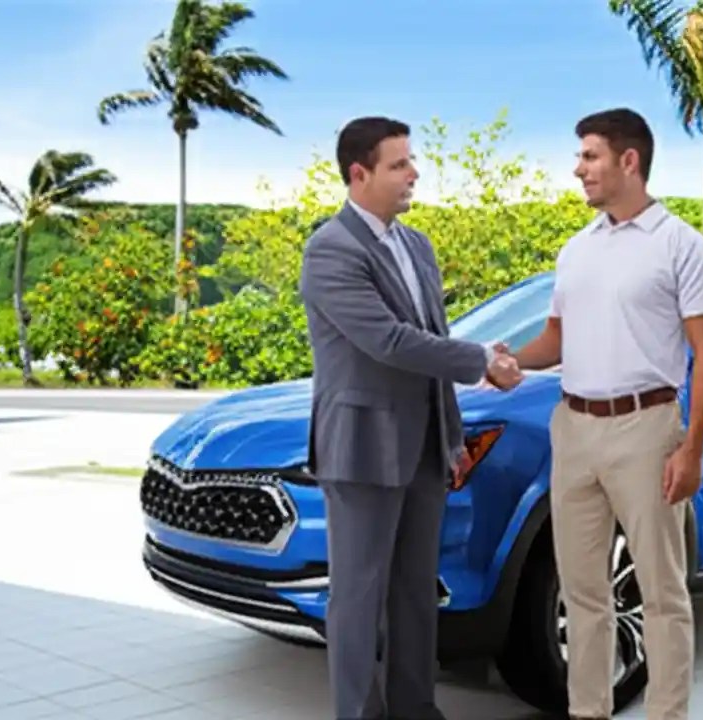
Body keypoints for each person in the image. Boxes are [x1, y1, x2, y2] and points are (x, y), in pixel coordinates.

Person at [504, 108, 703, 720]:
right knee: (582, 594)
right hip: (573, 429)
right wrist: (501, 362)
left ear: (630, 161)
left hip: (646, 429)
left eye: (590, 156)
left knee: (662, 593)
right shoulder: (575, 250)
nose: (579, 169)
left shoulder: (681, 246)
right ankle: (588, 712)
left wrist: (693, 447)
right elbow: (554, 341)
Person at [298, 115, 523, 720]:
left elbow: (432, 336)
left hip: (424, 444)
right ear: (358, 173)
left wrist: (450, 436)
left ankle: (415, 706)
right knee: (358, 594)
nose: (413, 173)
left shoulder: (416, 244)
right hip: (364, 446)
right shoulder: (330, 250)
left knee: (417, 591)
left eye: (411, 161)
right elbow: (389, 341)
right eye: (399, 164)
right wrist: (481, 361)